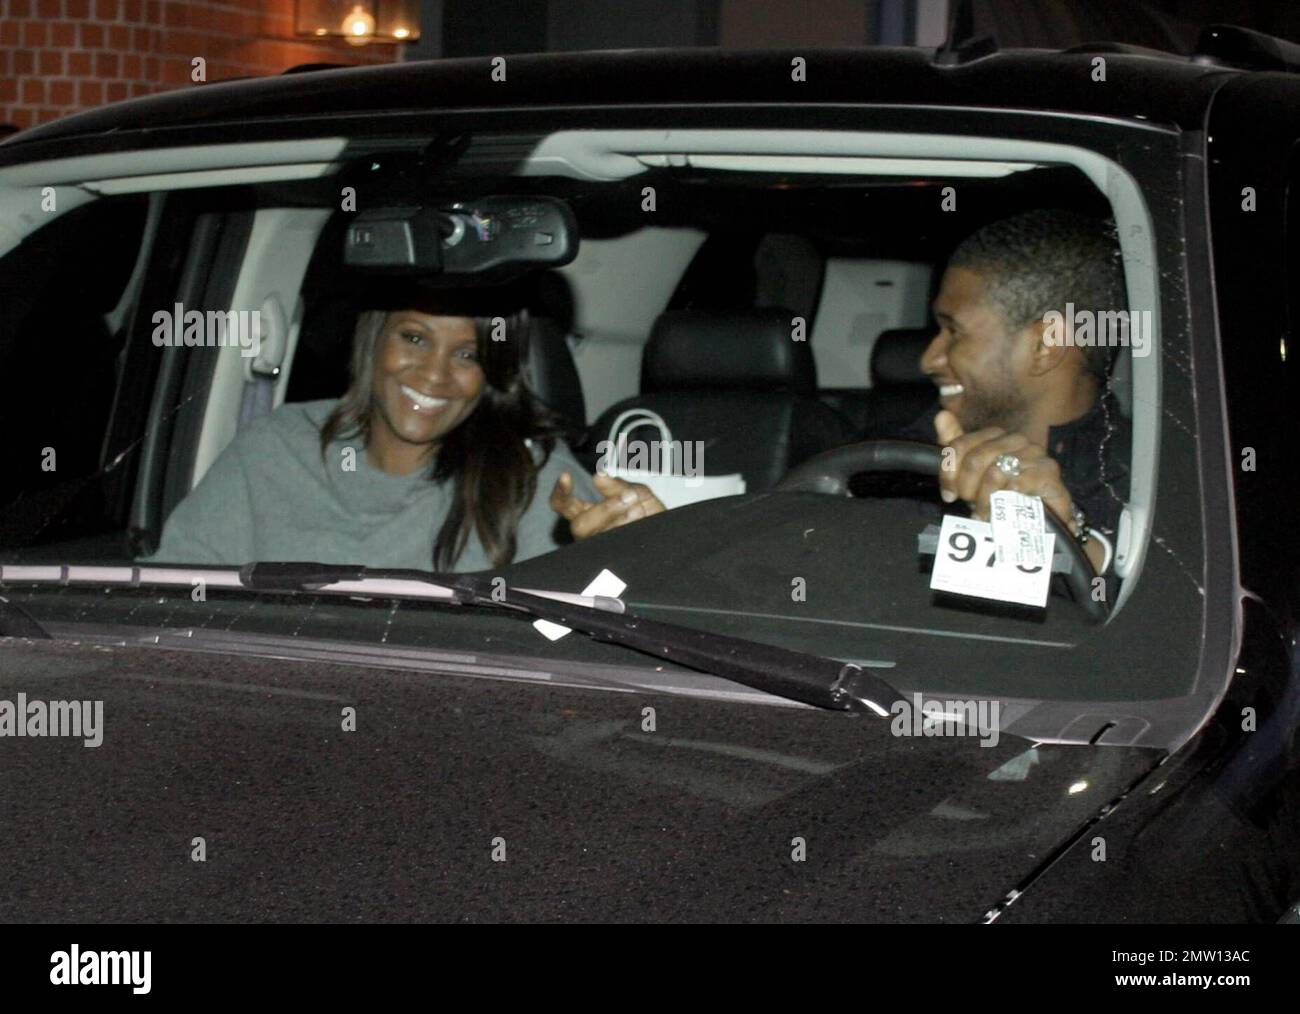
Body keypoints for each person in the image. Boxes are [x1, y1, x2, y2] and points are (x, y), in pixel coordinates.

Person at [147, 280, 666, 571]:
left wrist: (628, 556)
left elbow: (585, 635)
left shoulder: (526, 478)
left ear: (490, 375)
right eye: (414, 339)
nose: (435, 375)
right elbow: (167, 597)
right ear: (374, 341)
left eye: (466, 354)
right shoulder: (275, 449)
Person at [902, 208, 1132, 579]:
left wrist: (1069, 536)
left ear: (1045, 346)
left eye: (954, 331)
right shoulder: (897, 455)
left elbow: (1165, 614)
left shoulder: (1149, 483)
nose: (928, 359)